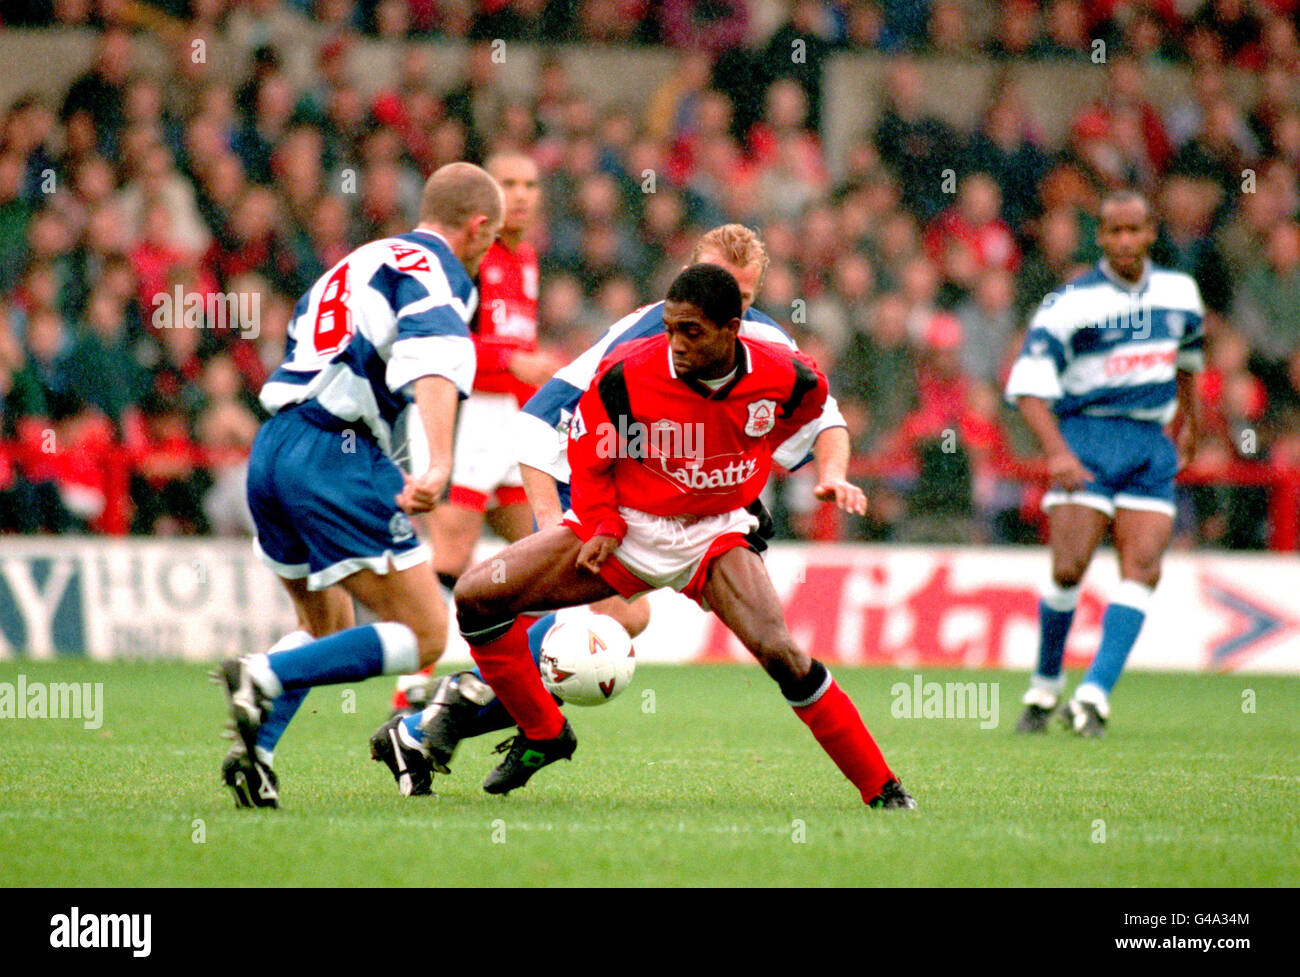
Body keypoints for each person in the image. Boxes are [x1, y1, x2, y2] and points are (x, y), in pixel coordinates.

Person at [373, 263, 915, 808]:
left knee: (782, 654)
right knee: (475, 598)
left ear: (733, 329)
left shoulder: (785, 373)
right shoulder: (628, 373)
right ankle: (543, 732)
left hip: (714, 536)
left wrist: (832, 472)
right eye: (671, 328)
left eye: (691, 332)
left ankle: (883, 788)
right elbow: (587, 453)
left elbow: (823, 418)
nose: (675, 343)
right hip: (628, 530)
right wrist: (604, 520)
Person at [215, 162, 503, 807]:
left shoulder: (359, 258)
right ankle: (261, 673)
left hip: (274, 448)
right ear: (479, 227)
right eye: (494, 238)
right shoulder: (439, 275)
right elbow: (434, 359)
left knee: (327, 629)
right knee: (427, 633)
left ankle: (256, 753)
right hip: (334, 454)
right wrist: (436, 466)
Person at [1007, 191, 1204, 737]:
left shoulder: (1180, 292)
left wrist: (1191, 423)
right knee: (1069, 568)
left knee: (1143, 567)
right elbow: (1026, 388)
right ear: (1100, 237)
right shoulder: (1069, 302)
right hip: (1086, 435)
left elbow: (1188, 361)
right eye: (1113, 232)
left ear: (1150, 232)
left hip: (1147, 440)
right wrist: (1057, 452)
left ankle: (1093, 695)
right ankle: (1045, 686)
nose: (1123, 241)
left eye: (1133, 230)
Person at [389, 152, 559, 716]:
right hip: (465, 419)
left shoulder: (526, 258)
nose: (522, 194)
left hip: (509, 425)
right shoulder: (467, 259)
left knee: (535, 553)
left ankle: (513, 676)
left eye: (531, 184)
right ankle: (411, 687)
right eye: (508, 183)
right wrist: (514, 361)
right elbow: (448, 346)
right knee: (454, 550)